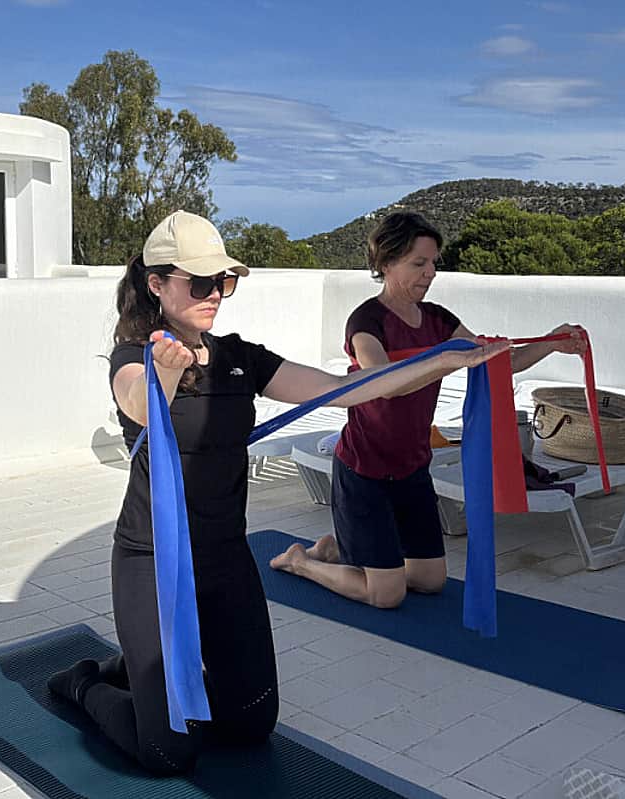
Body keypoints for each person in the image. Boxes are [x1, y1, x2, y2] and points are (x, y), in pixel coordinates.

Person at [47, 210, 508, 774]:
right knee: (167, 751)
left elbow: (344, 389)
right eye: (199, 282)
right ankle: (87, 684)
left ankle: (139, 670)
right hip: (154, 562)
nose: (214, 295)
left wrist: (445, 361)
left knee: (249, 723)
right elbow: (142, 406)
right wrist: (164, 370)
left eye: (223, 282)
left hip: (224, 556)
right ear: (157, 284)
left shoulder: (240, 358)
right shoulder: (136, 357)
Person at [270, 210, 586, 609]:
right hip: (364, 469)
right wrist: (444, 362)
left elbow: (497, 362)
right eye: (418, 263)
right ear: (386, 264)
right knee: (387, 595)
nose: (430, 273)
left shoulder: (438, 319)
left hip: (412, 466)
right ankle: (302, 561)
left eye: (433, 262)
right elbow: (383, 383)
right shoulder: (366, 321)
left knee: (429, 580)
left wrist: (552, 342)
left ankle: (339, 549)